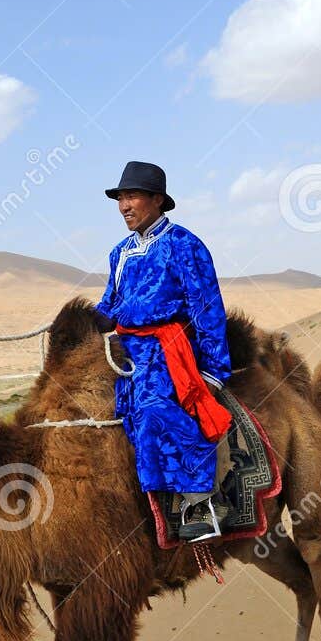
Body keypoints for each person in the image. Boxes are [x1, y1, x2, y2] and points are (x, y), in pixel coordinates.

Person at [96, 161, 231, 541]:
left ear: (157, 200)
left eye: (132, 196)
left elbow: (207, 307)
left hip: (168, 349)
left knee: (156, 409)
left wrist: (213, 370)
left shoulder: (185, 245)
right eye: (120, 197)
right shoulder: (119, 253)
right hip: (125, 351)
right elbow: (109, 303)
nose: (124, 205)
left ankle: (199, 502)